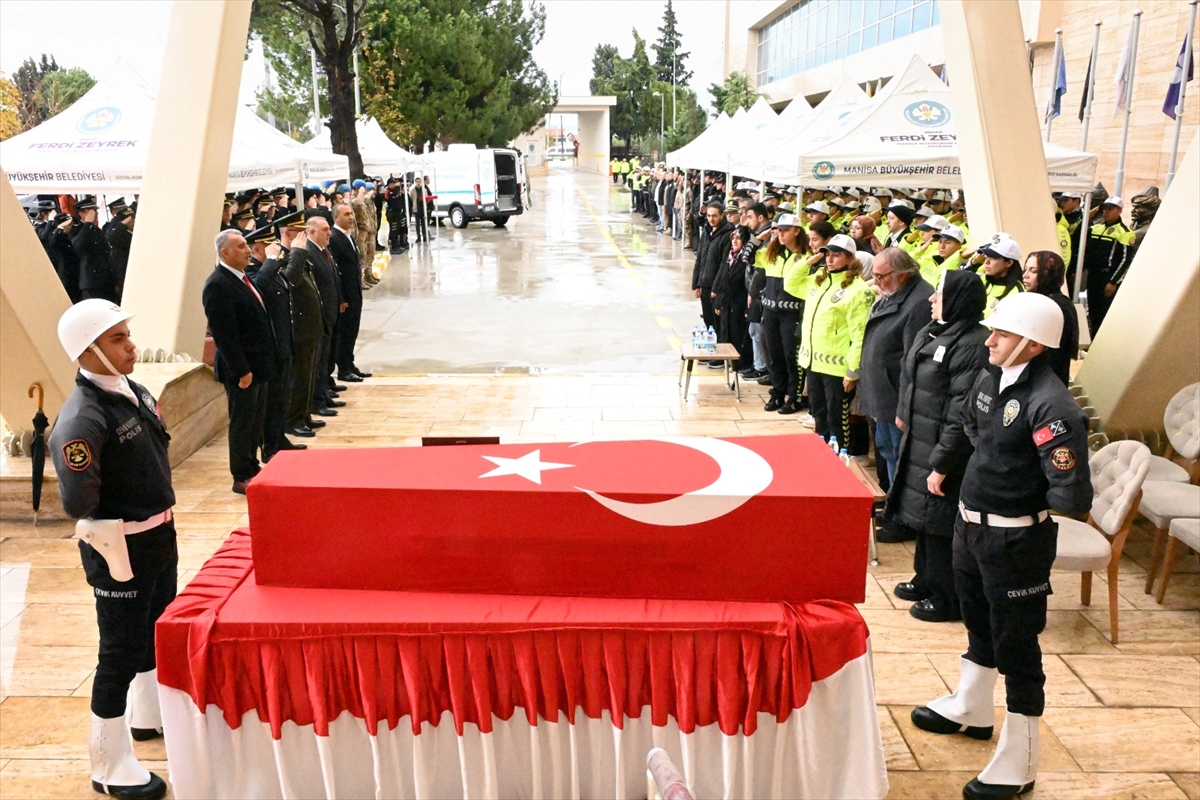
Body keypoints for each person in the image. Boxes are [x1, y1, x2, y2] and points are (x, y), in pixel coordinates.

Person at [911, 292, 1092, 800]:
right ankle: (973, 704)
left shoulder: (1053, 407)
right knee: (976, 617)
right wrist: (945, 465)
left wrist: (1019, 496)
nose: (989, 340)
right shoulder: (993, 377)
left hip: (1015, 539)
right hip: (971, 527)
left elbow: (1071, 494)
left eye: (1003, 334)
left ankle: (1022, 756)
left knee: (1017, 644)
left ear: (1033, 345)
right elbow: (969, 425)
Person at [49, 299, 174, 800]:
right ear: (89, 350)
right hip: (121, 546)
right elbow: (79, 500)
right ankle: (108, 762)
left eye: (127, 334)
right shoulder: (83, 417)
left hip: (157, 536)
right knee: (118, 653)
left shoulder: (129, 390)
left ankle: (145, 715)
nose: (131, 346)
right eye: (118, 339)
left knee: (153, 629)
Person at [888, 270, 990, 622]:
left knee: (941, 521)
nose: (932, 298)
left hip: (944, 449)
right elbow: (911, 377)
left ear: (959, 299)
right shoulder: (935, 331)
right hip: (920, 438)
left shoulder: (973, 344)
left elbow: (961, 413)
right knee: (922, 517)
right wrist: (903, 415)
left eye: (940, 294)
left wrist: (943, 461)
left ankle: (948, 597)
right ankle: (925, 578)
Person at [202, 230, 277, 494]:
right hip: (242, 370)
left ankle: (252, 464)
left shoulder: (242, 277)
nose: (248, 249)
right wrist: (242, 371)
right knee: (242, 422)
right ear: (226, 253)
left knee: (255, 420)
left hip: (257, 365)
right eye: (242, 246)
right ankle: (241, 474)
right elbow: (225, 336)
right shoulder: (218, 285)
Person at [858, 247, 934, 495]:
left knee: (899, 458)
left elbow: (912, 361)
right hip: (883, 396)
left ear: (903, 274)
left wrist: (903, 407)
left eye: (881, 276)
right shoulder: (893, 292)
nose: (876, 282)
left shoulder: (919, 302)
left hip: (896, 400)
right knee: (886, 450)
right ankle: (891, 502)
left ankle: (900, 513)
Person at [789, 233, 875, 444]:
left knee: (837, 419)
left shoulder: (857, 290)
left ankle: (841, 457)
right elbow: (790, 283)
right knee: (818, 413)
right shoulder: (817, 281)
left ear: (850, 258)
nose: (829, 259)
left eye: (836, 255)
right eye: (826, 254)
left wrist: (853, 371)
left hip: (837, 368)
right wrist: (811, 260)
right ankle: (823, 454)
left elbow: (860, 334)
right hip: (814, 362)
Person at [244, 225, 304, 460]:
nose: (276, 252)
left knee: (281, 398)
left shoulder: (270, 269)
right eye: (270, 248)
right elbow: (259, 287)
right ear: (257, 250)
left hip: (283, 344)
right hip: (271, 348)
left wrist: (287, 253)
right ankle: (270, 446)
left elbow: (288, 281)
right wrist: (271, 259)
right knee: (270, 402)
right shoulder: (253, 272)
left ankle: (278, 438)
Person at [758, 214, 809, 413]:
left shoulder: (806, 256)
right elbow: (747, 255)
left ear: (797, 231)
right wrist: (760, 238)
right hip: (770, 311)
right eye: (778, 229)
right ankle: (777, 393)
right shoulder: (772, 253)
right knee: (774, 354)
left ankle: (794, 396)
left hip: (792, 313)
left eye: (785, 230)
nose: (780, 234)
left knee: (791, 356)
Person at [278, 214, 323, 439]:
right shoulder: (282, 257)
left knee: (308, 375)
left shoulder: (297, 255)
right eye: (300, 232)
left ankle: (303, 414)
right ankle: (293, 419)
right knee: (299, 377)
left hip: (310, 327)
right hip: (298, 329)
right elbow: (290, 281)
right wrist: (297, 252)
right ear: (288, 234)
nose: (304, 237)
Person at [302, 211, 344, 419]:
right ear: (311, 232)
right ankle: (317, 401)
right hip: (320, 318)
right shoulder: (308, 253)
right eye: (325, 230)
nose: (330, 234)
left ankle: (324, 393)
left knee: (325, 359)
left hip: (329, 315)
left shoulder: (323, 250)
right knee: (317, 363)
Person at [1022, 250, 1078, 386]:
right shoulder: (1040, 299)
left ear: (1048, 274)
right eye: (1025, 270)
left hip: (1045, 382)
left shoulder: (1056, 305)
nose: (1025, 276)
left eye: (1033, 271)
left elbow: (1055, 355)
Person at [1082, 196, 1135, 337]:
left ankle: (1100, 341)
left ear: (1119, 211)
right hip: (1093, 275)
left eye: (1110, 209)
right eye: (1104, 208)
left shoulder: (1124, 232)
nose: (1106, 212)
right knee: (1092, 311)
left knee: (1103, 312)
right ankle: (1092, 341)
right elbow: (1082, 226)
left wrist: (1113, 281)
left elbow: (1125, 260)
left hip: (1107, 277)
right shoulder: (1096, 228)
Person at [330, 202, 370, 382]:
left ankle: (350, 363)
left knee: (352, 330)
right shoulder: (334, 238)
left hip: (355, 293)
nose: (351, 217)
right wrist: (341, 297)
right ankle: (343, 369)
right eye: (346, 214)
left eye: (351, 214)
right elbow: (336, 271)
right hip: (346, 296)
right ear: (336, 217)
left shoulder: (348, 236)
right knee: (344, 332)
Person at [714, 225, 752, 371]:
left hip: (739, 304)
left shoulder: (745, 260)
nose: (735, 241)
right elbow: (723, 281)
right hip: (726, 303)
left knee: (737, 334)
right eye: (733, 238)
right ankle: (726, 361)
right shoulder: (729, 257)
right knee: (725, 333)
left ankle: (737, 364)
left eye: (739, 238)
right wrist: (718, 302)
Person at [692, 201, 731, 338]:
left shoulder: (727, 235)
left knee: (718, 322)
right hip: (704, 285)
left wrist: (716, 288)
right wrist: (696, 283)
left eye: (714, 216)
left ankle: (720, 353)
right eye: (708, 216)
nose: (711, 219)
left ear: (722, 215)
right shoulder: (706, 232)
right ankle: (711, 349)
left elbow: (724, 264)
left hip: (717, 288)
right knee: (708, 320)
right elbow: (700, 258)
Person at [73, 198, 119, 303]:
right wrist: (87, 224)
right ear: (82, 213)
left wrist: (114, 280)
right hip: (91, 282)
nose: (96, 213)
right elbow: (78, 246)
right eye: (92, 210)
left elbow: (106, 255)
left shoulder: (97, 230)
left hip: (105, 281)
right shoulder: (77, 229)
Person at [975, 232, 1026, 317]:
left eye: (993, 257)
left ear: (1009, 263)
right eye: (986, 256)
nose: (986, 262)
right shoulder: (978, 280)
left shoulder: (1017, 293)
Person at [43, 212, 83, 303]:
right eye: (69, 225)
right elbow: (53, 241)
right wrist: (60, 227)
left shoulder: (67, 237)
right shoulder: (57, 238)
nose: (71, 226)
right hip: (67, 279)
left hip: (74, 278)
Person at [105, 204, 135, 302]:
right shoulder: (120, 237)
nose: (134, 221)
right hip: (123, 275)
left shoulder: (137, 234)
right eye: (131, 219)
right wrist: (123, 225)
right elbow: (111, 238)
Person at [385, 176, 409, 254]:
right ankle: (393, 247)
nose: (394, 185)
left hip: (397, 213)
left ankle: (397, 245)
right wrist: (398, 188)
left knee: (398, 230)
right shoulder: (389, 192)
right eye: (392, 183)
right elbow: (392, 199)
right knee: (393, 230)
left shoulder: (396, 191)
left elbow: (400, 199)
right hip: (392, 214)